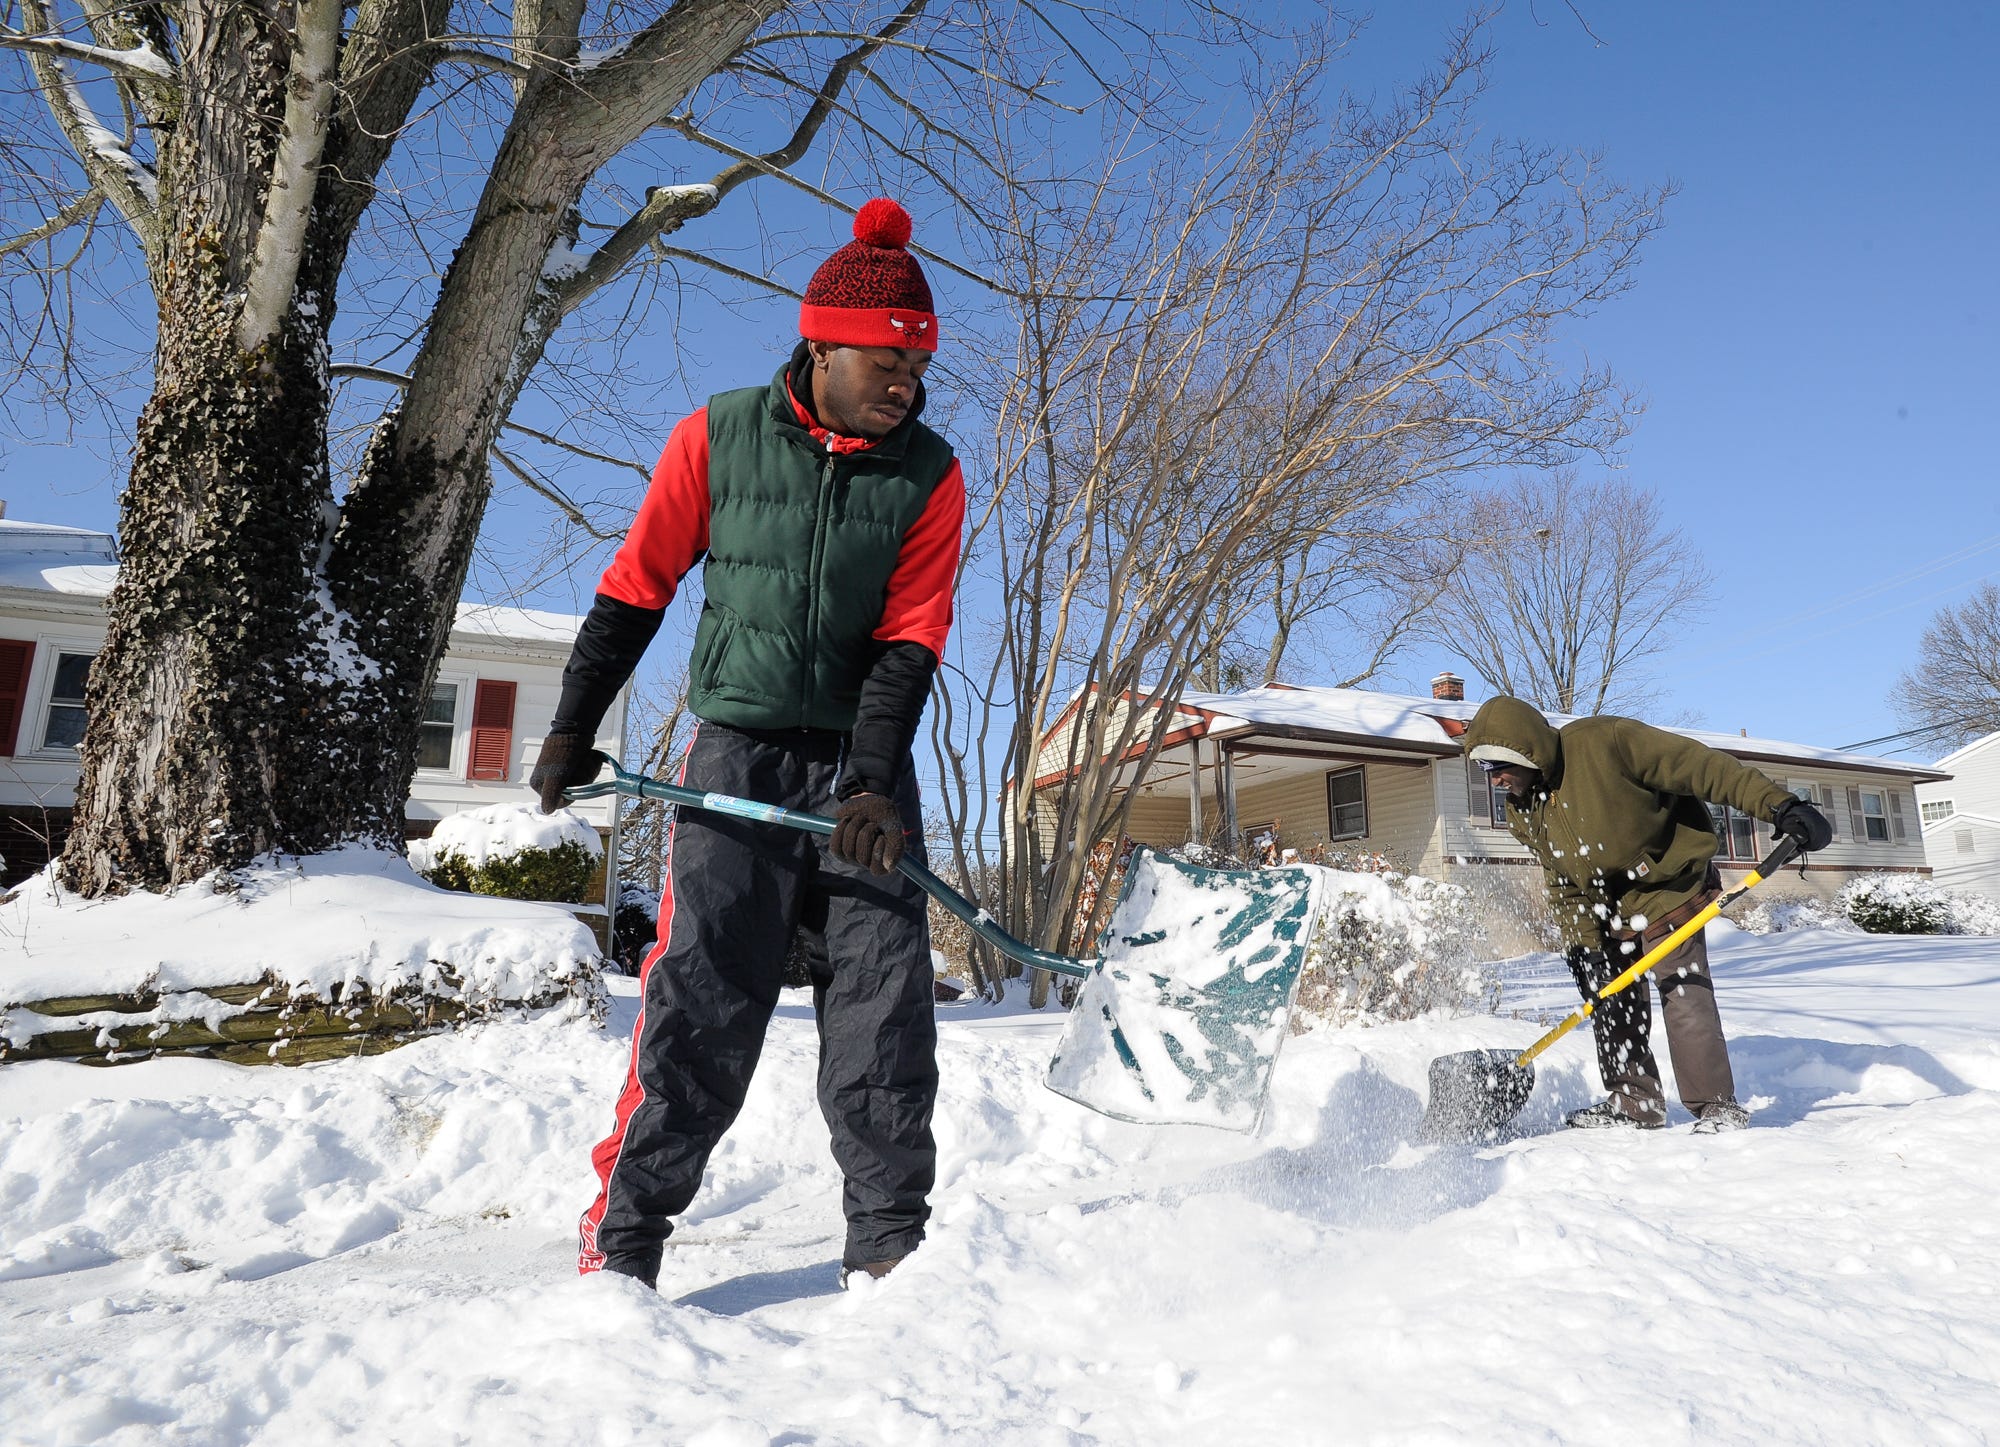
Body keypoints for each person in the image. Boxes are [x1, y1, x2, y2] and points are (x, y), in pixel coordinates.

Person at [528, 198, 966, 1288]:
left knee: (883, 1011)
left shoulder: (929, 472)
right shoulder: (715, 435)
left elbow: (911, 637)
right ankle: (622, 1244)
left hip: (863, 777)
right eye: (886, 361)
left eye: (917, 366)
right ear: (820, 345)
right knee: (701, 1004)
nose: (904, 383)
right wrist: (574, 724)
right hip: (736, 760)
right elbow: (634, 590)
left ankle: (889, 1253)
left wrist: (870, 784)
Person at [1462, 696, 1832, 1132]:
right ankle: (1634, 1101)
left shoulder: (1607, 743)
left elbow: (1705, 768)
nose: (1495, 778)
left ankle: (1716, 1105)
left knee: (1681, 985)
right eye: (1485, 769)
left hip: (1669, 882)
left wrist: (1781, 806)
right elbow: (1563, 881)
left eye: (1500, 765)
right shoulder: (1525, 812)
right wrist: (1582, 944)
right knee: (1606, 993)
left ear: (1528, 752)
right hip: (1610, 902)